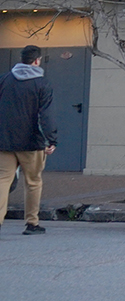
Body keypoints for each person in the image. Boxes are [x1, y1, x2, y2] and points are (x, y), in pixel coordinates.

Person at [0, 45, 58, 235]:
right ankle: (31, 223)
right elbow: (45, 115)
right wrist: (51, 139)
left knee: (2, 180)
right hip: (31, 142)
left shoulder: (4, 80)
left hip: (4, 141)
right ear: (36, 61)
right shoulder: (42, 84)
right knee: (33, 182)